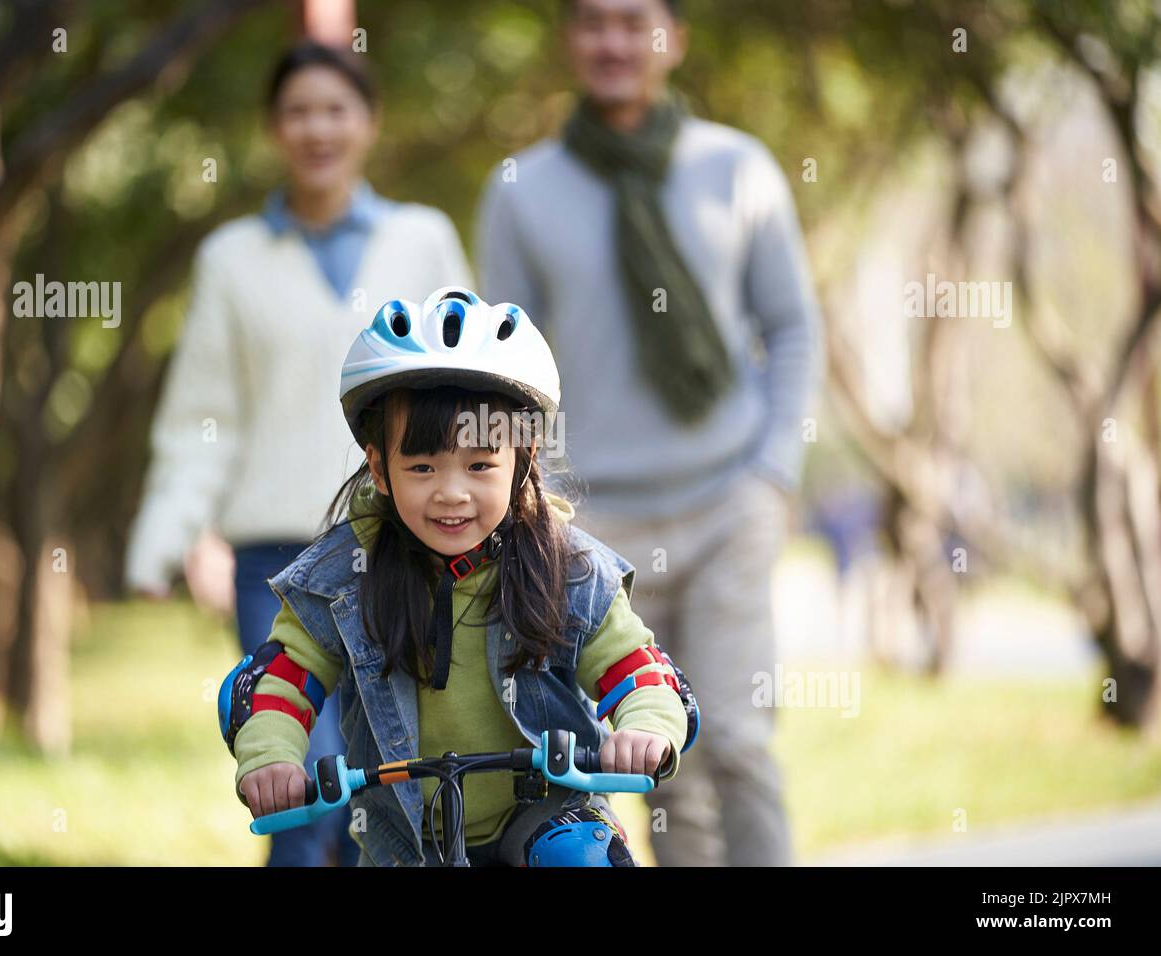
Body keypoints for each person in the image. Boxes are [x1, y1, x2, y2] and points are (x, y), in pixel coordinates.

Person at [476, 0, 822, 865]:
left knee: (738, 743)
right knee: (650, 762)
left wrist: (773, 473)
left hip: (726, 501)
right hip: (594, 530)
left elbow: (792, 328)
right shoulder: (522, 187)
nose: (614, 42)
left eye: (636, 21)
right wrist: (534, 509)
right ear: (567, 41)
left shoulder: (738, 168)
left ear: (675, 39)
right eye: (593, 23)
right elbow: (502, 363)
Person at [125, 42, 472, 867]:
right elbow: (201, 418)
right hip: (280, 562)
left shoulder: (423, 239)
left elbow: (468, 395)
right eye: (298, 112)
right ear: (274, 129)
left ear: (369, 123)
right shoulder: (231, 259)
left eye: (336, 109)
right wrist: (162, 538)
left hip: (404, 550)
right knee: (304, 783)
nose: (318, 128)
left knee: (388, 784)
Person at [222, 287, 696, 866]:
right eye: (422, 466)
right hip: (406, 833)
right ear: (378, 466)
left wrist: (645, 727)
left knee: (579, 856)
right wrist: (270, 757)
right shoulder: (344, 577)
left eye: (479, 465)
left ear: (522, 457)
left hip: (549, 812)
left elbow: (640, 671)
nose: (451, 493)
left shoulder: (567, 570)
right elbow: (281, 680)